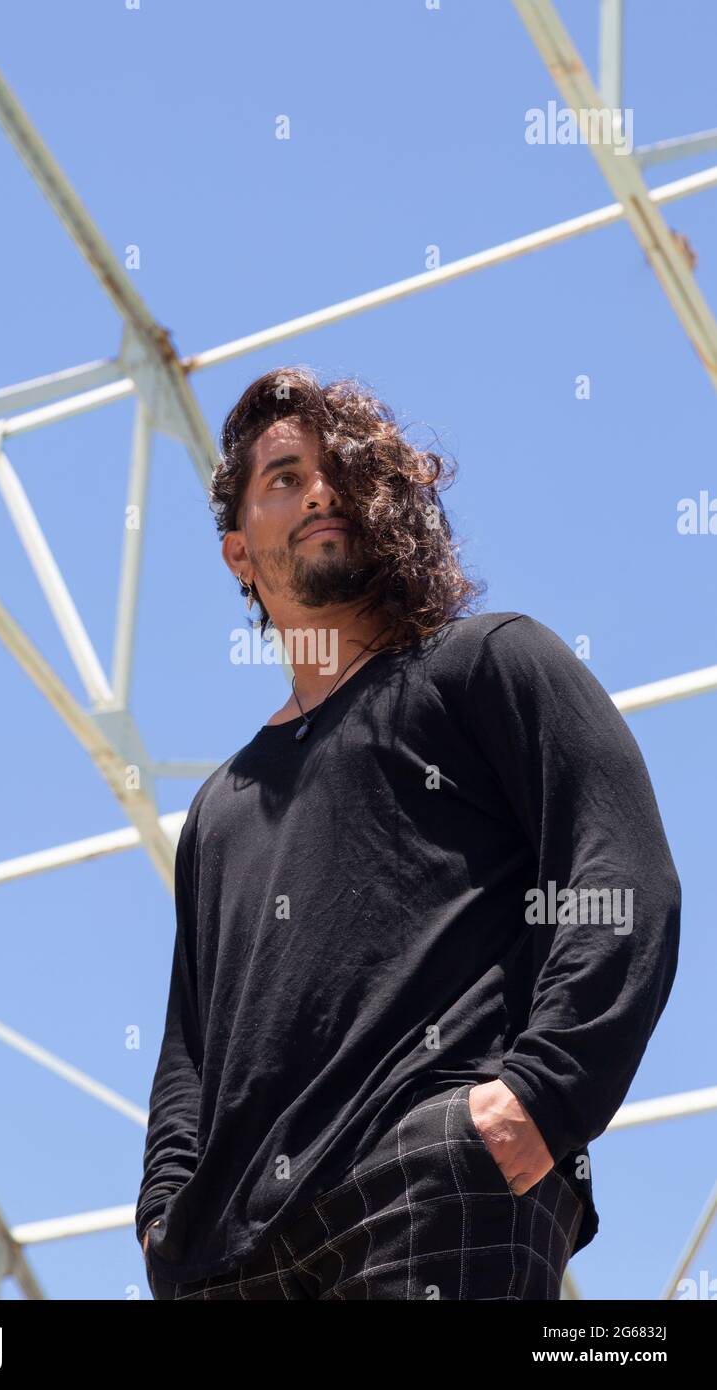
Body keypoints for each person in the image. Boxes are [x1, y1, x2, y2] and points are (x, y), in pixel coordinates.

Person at [135, 366, 681, 1300]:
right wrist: (165, 1214)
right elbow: (190, 1045)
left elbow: (622, 878)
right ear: (237, 555)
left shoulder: (486, 664)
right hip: (231, 1256)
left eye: (341, 470)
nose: (319, 491)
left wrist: (540, 1099)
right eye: (283, 476)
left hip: (432, 1182)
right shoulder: (220, 806)